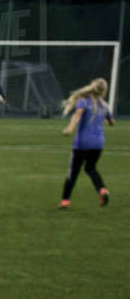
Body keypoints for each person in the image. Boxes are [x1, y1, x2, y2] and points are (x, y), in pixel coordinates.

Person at [58, 77, 113, 209]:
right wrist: (104, 120)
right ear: (103, 91)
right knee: (90, 168)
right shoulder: (104, 106)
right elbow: (111, 122)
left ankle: (65, 201)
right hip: (98, 143)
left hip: (83, 143)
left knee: (73, 172)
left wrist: (70, 128)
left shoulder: (83, 101)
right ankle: (102, 190)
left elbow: (77, 114)